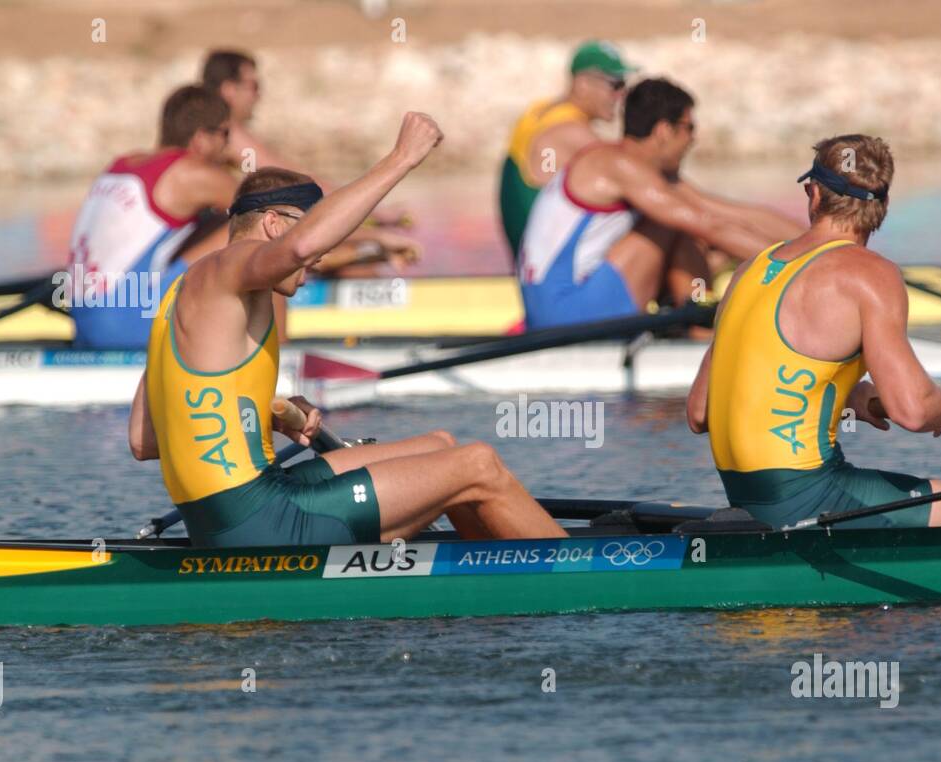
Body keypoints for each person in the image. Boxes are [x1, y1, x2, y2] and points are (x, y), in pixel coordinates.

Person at [128, 114, 566, 547]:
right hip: (262, 520)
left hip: (223, 517)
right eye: (313, 228)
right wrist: (401, 158)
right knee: (478, 464)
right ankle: (578, 568)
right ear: (273, 225)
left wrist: (258, 420)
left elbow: (144, 441)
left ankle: (485, 572)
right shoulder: (232, 262)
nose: (320, 258)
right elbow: (302, 245)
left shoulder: (178, 298)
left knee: (441, 446)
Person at [685, 134, 941, 529]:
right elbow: (914, 411)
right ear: (882, 207)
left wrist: (844, 393)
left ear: (813, 193)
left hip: (748, 502)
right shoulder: (871, 275)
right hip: (815, 498)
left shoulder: (750, 269)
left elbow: (699, 412)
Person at [518, 77, 801, 331]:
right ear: (664, 130)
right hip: (567, 313)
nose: (693, 139)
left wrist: (818, 244)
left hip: (554, 307)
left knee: (693, 225)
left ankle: (688, 316)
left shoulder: (637, 170)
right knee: (679, 224)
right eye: (689, 127)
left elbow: (731, 213)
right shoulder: (618, 166)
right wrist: (800, 266)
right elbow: (710, 225)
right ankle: (700, 333)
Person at [66, 85, 239, 349]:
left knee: (221, 222)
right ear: (202, 138)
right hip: (125, 325)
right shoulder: (191, 174)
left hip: (83, 320)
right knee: (260, 226)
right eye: (225, 135)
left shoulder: (120, 165)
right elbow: (273, 207)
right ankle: (280, 353)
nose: (229, 147)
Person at [202, 48, 415, 242]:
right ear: (229, 90)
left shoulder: (211, 129)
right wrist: (374, 213)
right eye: (254, 86)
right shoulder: (229, 132)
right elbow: (296, 183)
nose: (259, 95)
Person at [498, 39, 634, 260]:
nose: (621, 95)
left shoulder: (539, 110)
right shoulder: (571, 132)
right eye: (615, 85)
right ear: (582, 84)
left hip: (528, 255)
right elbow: (635, 177)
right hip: (547, 265)